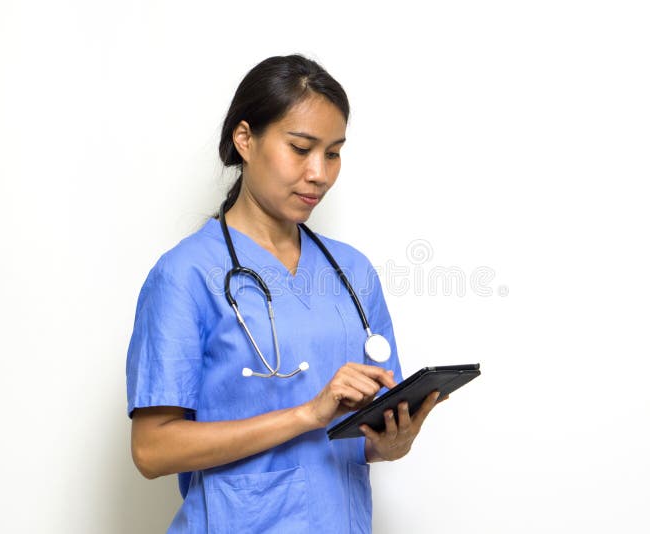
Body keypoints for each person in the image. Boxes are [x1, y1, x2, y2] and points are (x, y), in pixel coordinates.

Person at [126, 54, 445, 533]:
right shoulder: (185, 275)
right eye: (301, 148)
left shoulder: (352, 272)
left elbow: (363, 435)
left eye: (333, 152)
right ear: (245, 139)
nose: (320, 173)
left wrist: (389, 443)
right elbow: (152, 450)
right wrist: (306, 414)